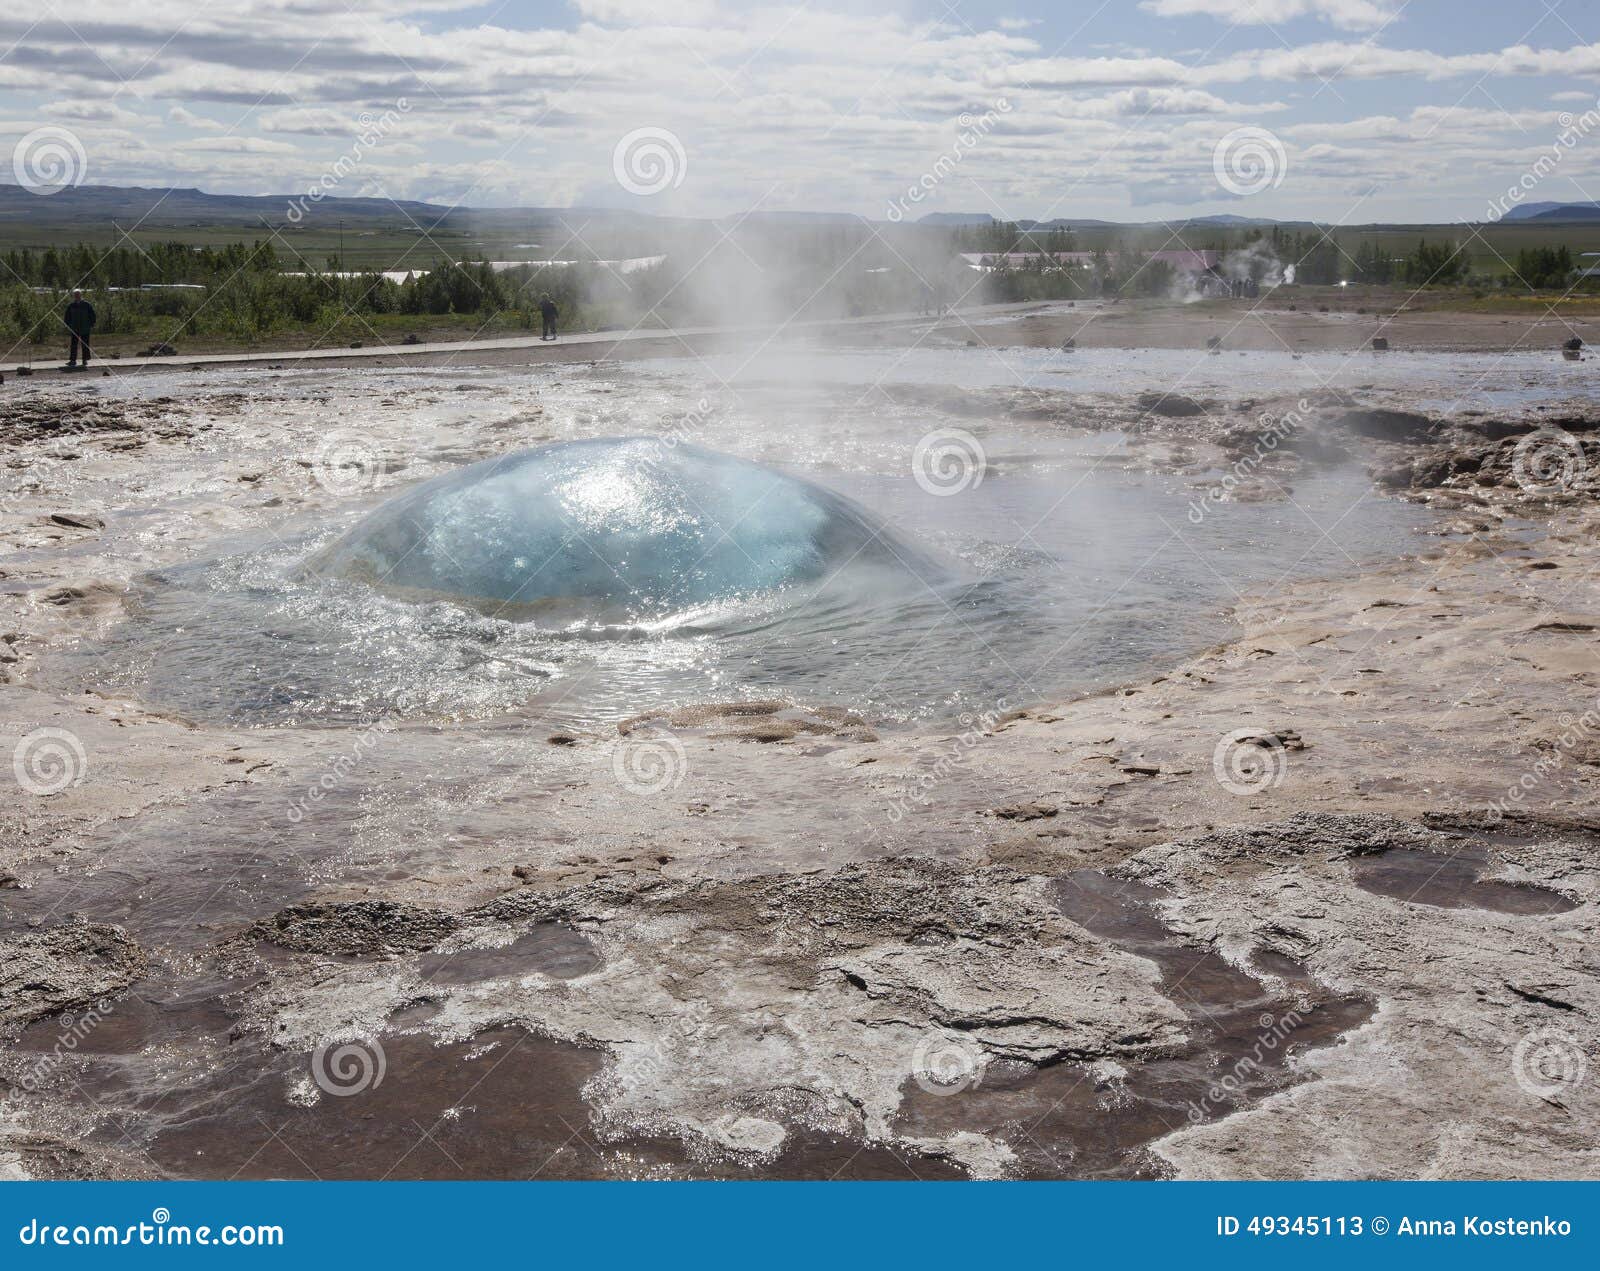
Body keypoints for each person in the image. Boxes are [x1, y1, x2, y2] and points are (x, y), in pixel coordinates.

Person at [64, 289, 96, 370]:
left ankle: (84, 360)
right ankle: (72, 360)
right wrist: (68, 325)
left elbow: (92, 315)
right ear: (74, 296)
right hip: (74, 328)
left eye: (78, 294)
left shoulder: (87, 305)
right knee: (73, 345)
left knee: (85, 344)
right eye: (75, 295)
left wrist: (91, 324)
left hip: (85, 328)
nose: (77, 296)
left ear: (81, 295)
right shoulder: (71, 305)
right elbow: (67, 317)